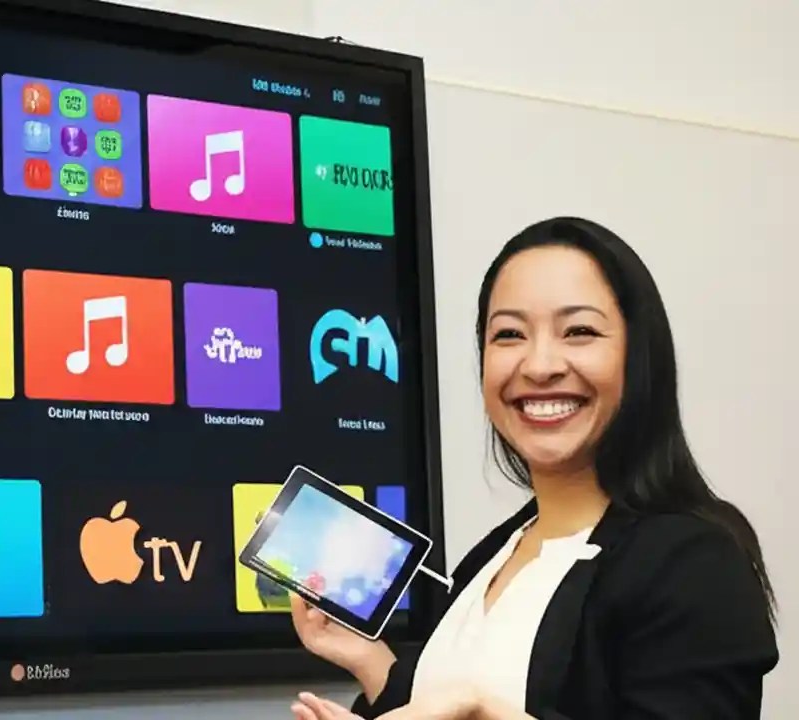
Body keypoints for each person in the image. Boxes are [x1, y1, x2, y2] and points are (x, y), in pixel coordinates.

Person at [289, 217, 778, 720]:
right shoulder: (493, 555)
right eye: (509, 334)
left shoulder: (695, 561)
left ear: (638, 356)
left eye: (579, 331)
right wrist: (371, 662)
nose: (540, 365)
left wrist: (481, 712)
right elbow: (439, 703)